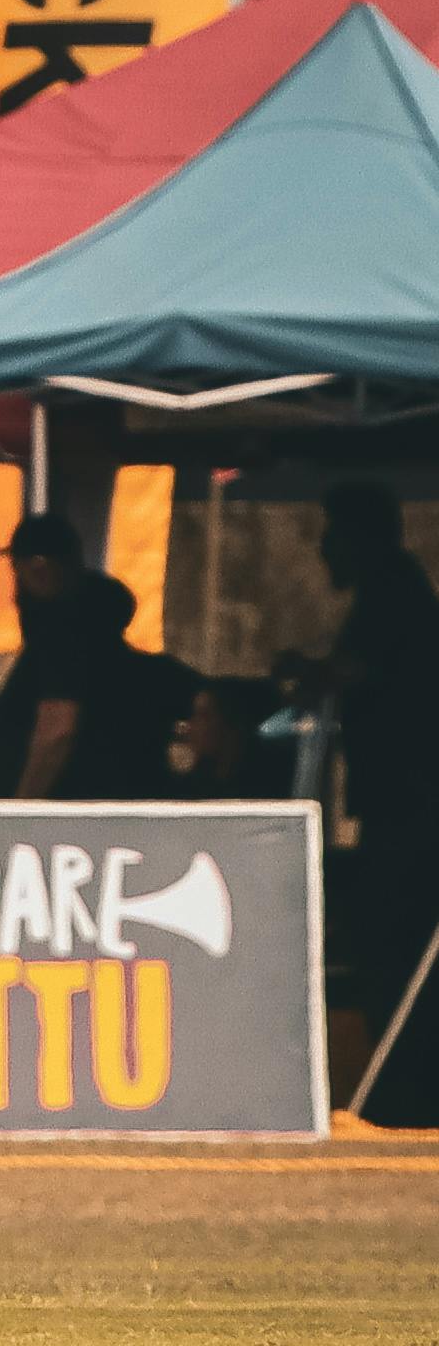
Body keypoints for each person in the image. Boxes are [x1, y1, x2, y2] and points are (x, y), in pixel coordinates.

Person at [317, 479, 439, 1121]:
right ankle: (401, 1091)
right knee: (385, 948)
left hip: (411, 809)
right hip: (397, 806)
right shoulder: (389, 590)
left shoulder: (394, 590)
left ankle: (405, 1097)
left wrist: (306, 672)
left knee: (390, 948)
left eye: (331, 536)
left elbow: (358, 669)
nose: (322, 551)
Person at [0, 514, 173, 799]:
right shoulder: (90, 634)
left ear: (39, 569)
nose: (15, 587)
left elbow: (57, 731)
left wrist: (20, 811)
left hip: (69, 810)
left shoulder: (64, 632)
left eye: (19, 571)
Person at [173, 676, 291, 800]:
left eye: (204, 716)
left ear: (232, 725)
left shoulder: (265, 791)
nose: (190, 726)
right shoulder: (194, 789)